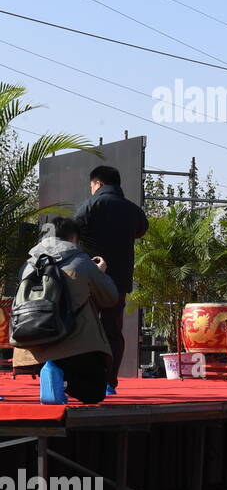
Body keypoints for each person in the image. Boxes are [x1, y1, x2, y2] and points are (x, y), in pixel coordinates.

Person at [11, 217, 120, 404]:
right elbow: (110, 298)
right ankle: (62, 380)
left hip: (30, 345)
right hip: (73, 345)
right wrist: (99, 273)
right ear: (73, 238)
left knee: (53, 361)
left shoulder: (27, 266)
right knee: (94, 392)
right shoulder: (82, 262)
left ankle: (49, 370)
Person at [75, 164, 148, 394]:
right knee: (113, 330)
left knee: (85, 327)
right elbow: (141, 230)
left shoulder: (90, 205)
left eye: (92, 186)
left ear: (98, 184)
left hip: (91, 277)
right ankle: (109, 382)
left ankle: (86, 379)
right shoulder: (133, 210)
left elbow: (74, 232)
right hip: (119, 280)